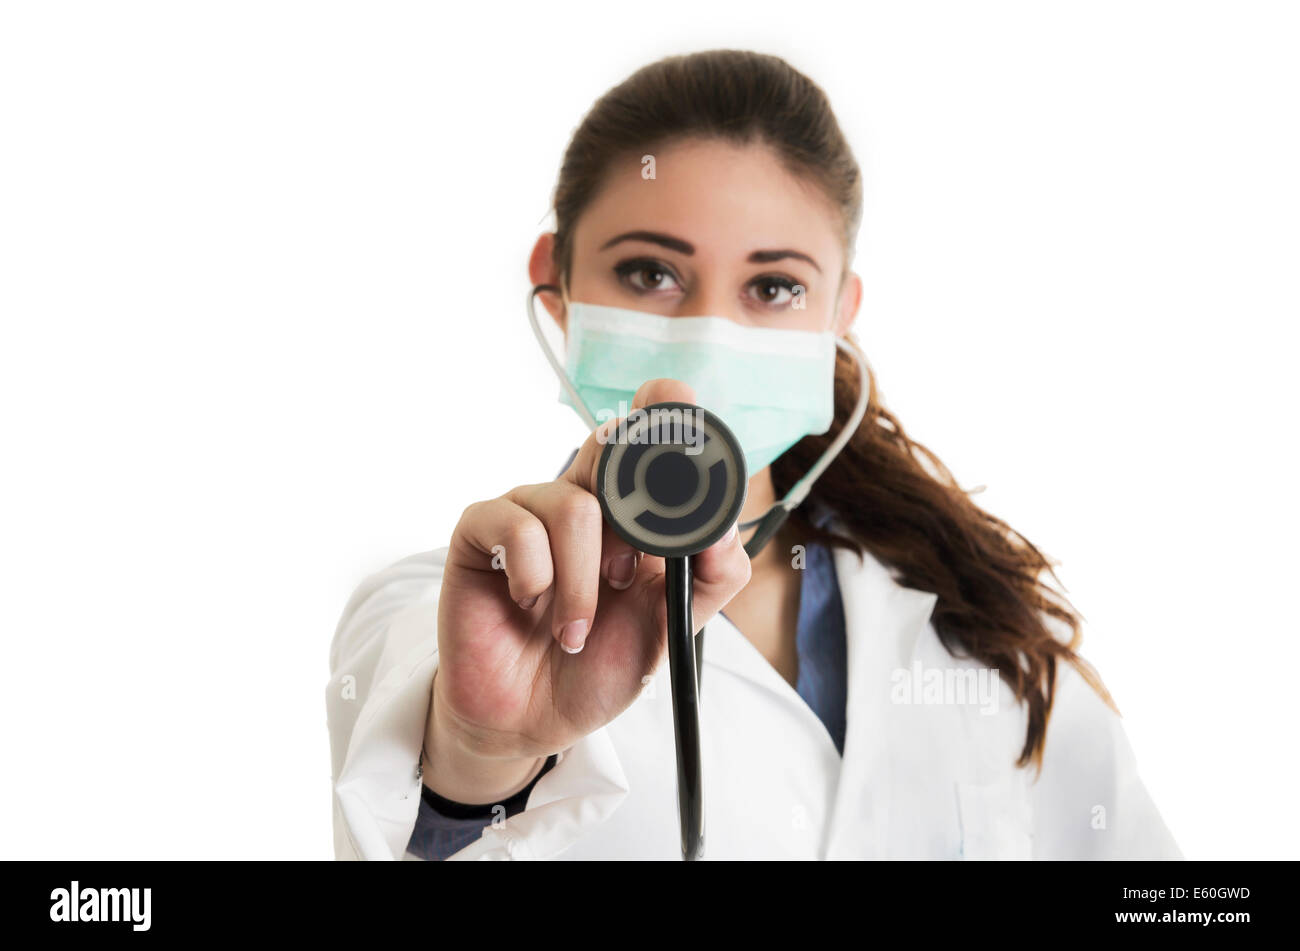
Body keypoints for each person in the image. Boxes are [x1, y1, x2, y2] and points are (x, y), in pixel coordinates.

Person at [325, 49, 1181, 861]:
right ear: (557, 285)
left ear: (839, 314)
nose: (706, 338)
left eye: (774, 287)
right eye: (650, 273)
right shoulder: (447, 613)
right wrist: (482, 751)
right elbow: (405, 822)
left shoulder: (984, 633)